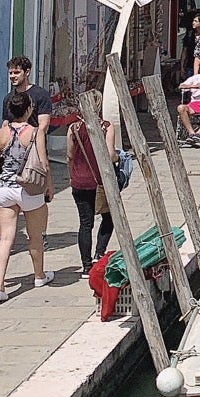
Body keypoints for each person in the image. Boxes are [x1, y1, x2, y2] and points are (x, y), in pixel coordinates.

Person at [0, 92, 54, 304]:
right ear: (29, 110)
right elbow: (43, 164)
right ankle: (39, 276)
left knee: (5, 239)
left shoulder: (1, 133)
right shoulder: (35, 133)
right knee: (35, 237)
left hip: (5, 189)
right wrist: (49, 187)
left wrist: (4, 166)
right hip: (29, 190)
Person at [0, 56, 53, 262]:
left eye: (16, 72)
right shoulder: (8, 99)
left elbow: (43, 125)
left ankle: (38, 236)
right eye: (10, 73)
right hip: (13, 152)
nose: (12, 76)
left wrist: (31, 141)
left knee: (35, 198)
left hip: (33, 149)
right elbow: (4, 124)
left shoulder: (40, 95)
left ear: (27, 72)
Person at [67, 113, 115, 276]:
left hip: (79, 181)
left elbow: (69, 156)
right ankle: (99, 253)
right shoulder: (106, 127)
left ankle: (86, 266)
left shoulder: (73, 128)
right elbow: (110, 154)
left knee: (85, 223)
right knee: (109, 217)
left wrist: (71, 175)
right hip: (99, 181)